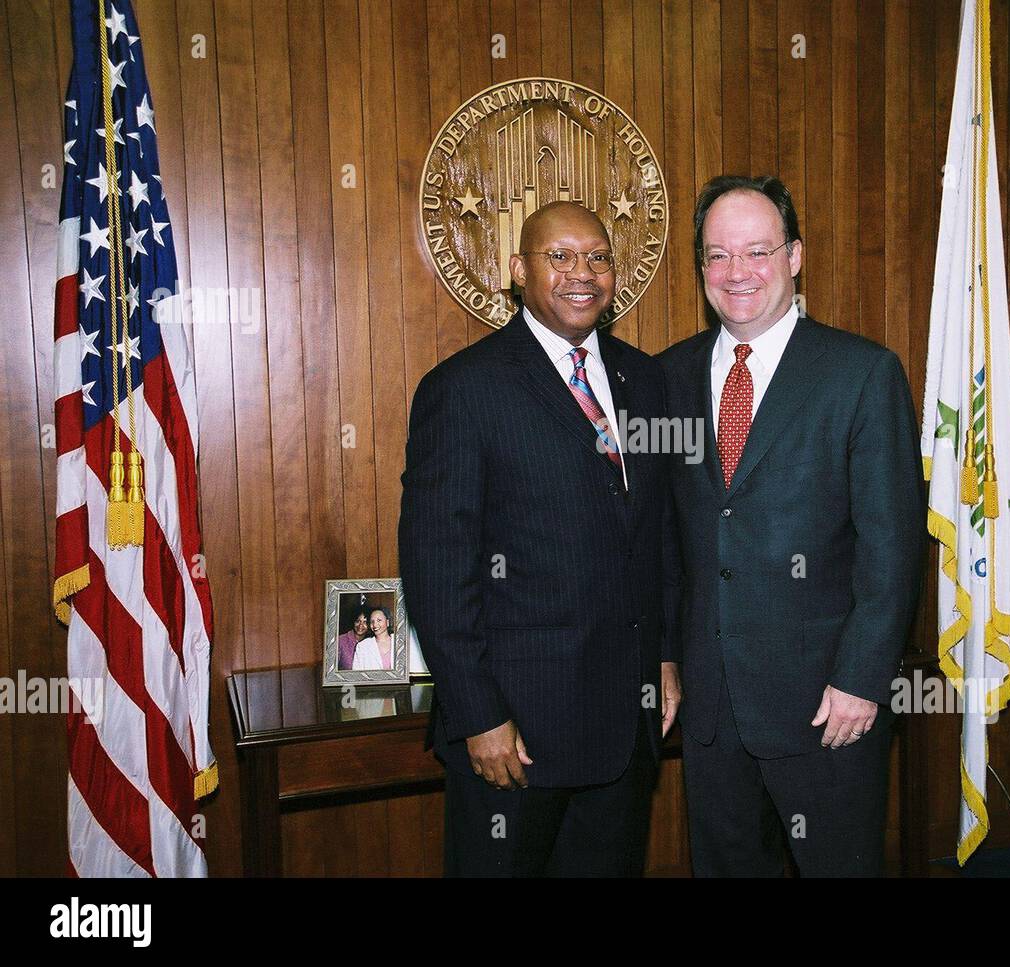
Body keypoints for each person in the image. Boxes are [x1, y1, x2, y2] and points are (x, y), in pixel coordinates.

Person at [399, 200, 679, 877]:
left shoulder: (648, 380)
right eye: (560, 256)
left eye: (599, 257)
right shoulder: (462, 390)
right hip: (515, 736)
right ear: (518, 271)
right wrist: (478, 716)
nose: (582, 272)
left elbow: (658, 535)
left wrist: (666, 656)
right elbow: (437, 571)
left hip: (623, 731)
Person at [659, 175, 925, 876]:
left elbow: (891, 545)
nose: (737, 272)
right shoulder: (668, 378)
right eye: (717, 255)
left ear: (796, 256)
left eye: (757, 250)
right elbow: (660, 544)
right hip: (712, 708)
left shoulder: (862, 373)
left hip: (827, 706)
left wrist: (864, 678)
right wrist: (664, 659)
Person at [337, 606, 370, 671]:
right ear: (353, 622)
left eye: (365, 622)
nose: (361, 625)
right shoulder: (340, 641)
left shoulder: (371, 642)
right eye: (358, 621)